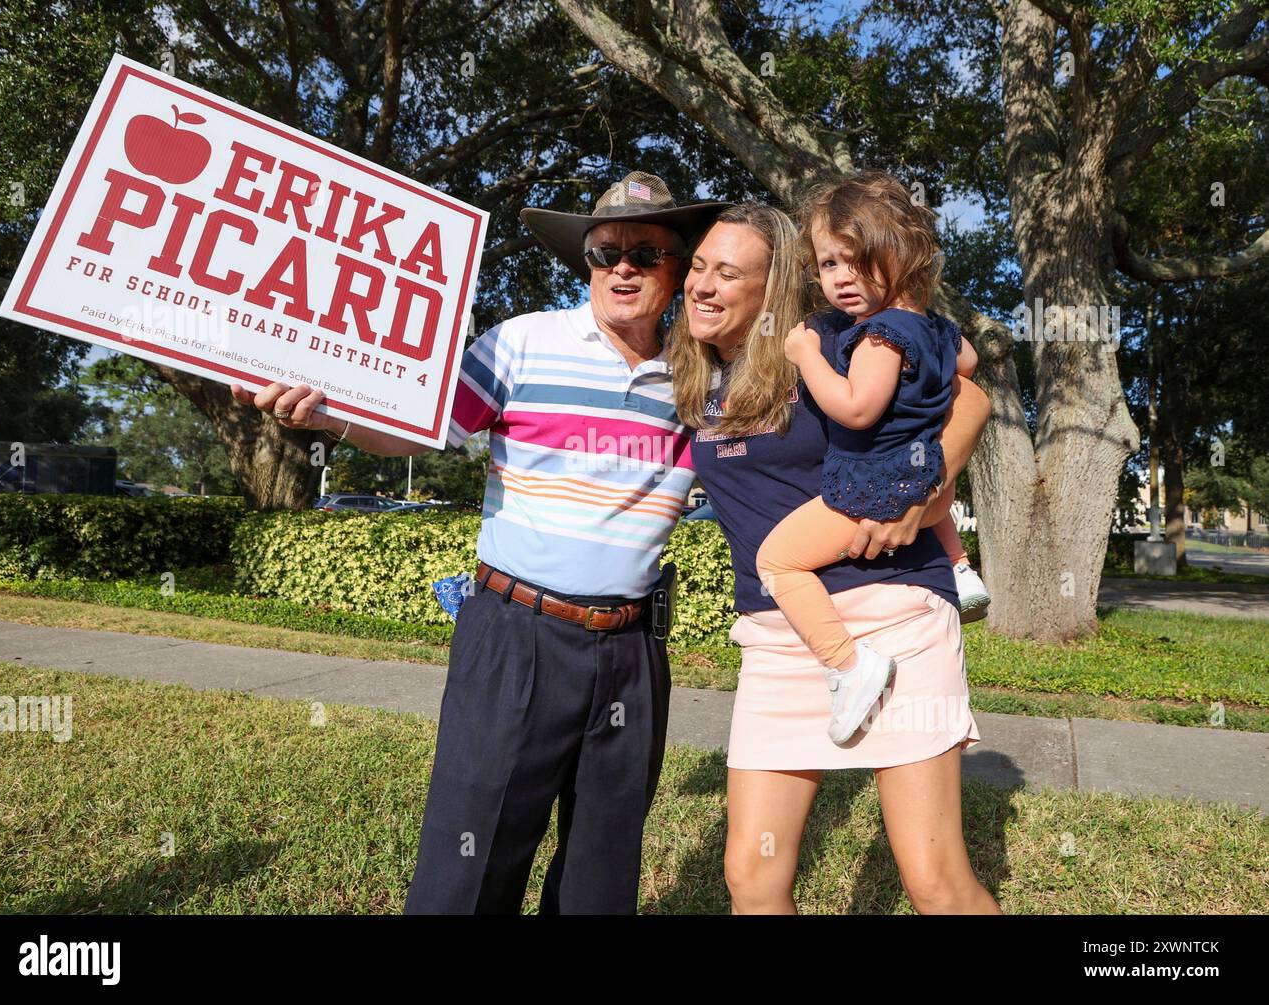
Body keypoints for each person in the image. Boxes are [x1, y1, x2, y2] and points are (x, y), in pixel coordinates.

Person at [231, 171, 728, 914]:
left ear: (680, 269)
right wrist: (325, 411)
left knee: (604, 868)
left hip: (633, 653)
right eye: (605, 252)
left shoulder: (705, 378)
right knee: (471, 861)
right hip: (515, 637)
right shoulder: (522, 343)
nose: (622, 266)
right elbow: (421, 429)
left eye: (647, 253)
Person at [668, 200, 1000, 914]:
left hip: (891, 615)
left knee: (934, 883)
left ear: (773, 287)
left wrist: (924, 488)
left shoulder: (825, 339)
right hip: (779, 637)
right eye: (699, 267)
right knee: (752, 878)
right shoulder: (693, 376)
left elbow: (970, 394)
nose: (702, 285)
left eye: (729, 272)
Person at [755, 170, 991, 744]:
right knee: (933, 495)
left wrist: (806, 354)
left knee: (778, 562)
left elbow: (856, 408)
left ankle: (849, 667)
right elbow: (969, 362)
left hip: (871, 484)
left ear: (901, 254)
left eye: (857, 260)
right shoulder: (933, 327)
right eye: (829, 264)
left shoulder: (878, 337)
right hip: (923, 472)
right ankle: (960, 572)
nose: (841, 278)